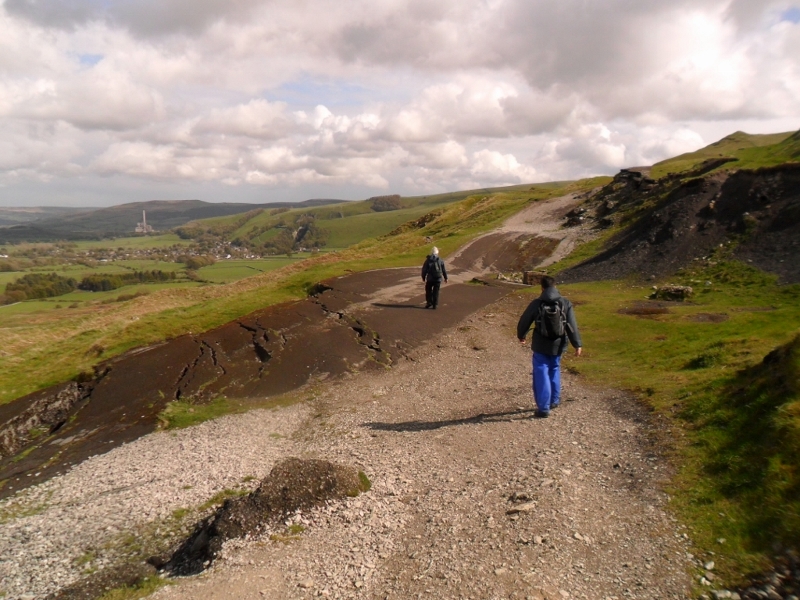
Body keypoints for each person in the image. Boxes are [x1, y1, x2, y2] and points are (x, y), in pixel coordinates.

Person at [516, 275, 582, 418]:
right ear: (555, 286)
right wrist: (577, 344)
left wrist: (522, 335)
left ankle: (544, 408)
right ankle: (554, 400)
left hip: (540, 344)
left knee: (541, 371)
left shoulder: (537, 303)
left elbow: (525, 320)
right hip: (558, 344)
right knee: (555, 368)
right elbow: (572, 326)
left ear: (542, 288)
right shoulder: (565, 303)